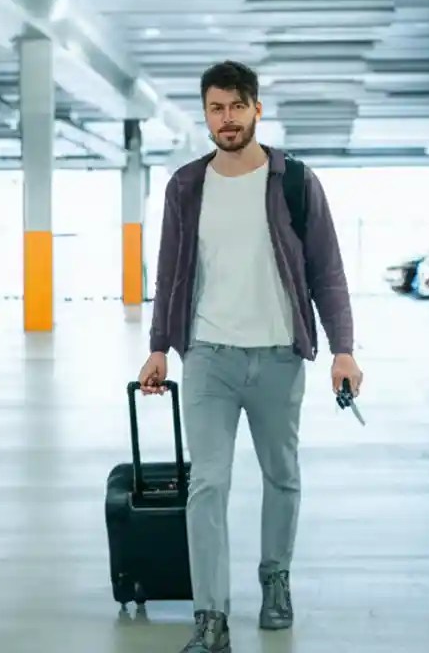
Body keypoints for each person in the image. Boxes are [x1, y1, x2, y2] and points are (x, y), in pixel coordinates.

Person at [137, 60, 363, 653]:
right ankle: (211, 617)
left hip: (279, 357)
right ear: (205, 114)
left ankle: (275, 580)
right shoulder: (186, 186)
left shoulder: (294, 180)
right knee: (207, 485)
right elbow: (169, 271)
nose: (227, 118)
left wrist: (344, 349)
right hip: (208, 356)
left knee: (281, 476)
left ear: (256, 109)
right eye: (216, 108)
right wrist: (158, 346)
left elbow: (327, 271)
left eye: (237, 106)